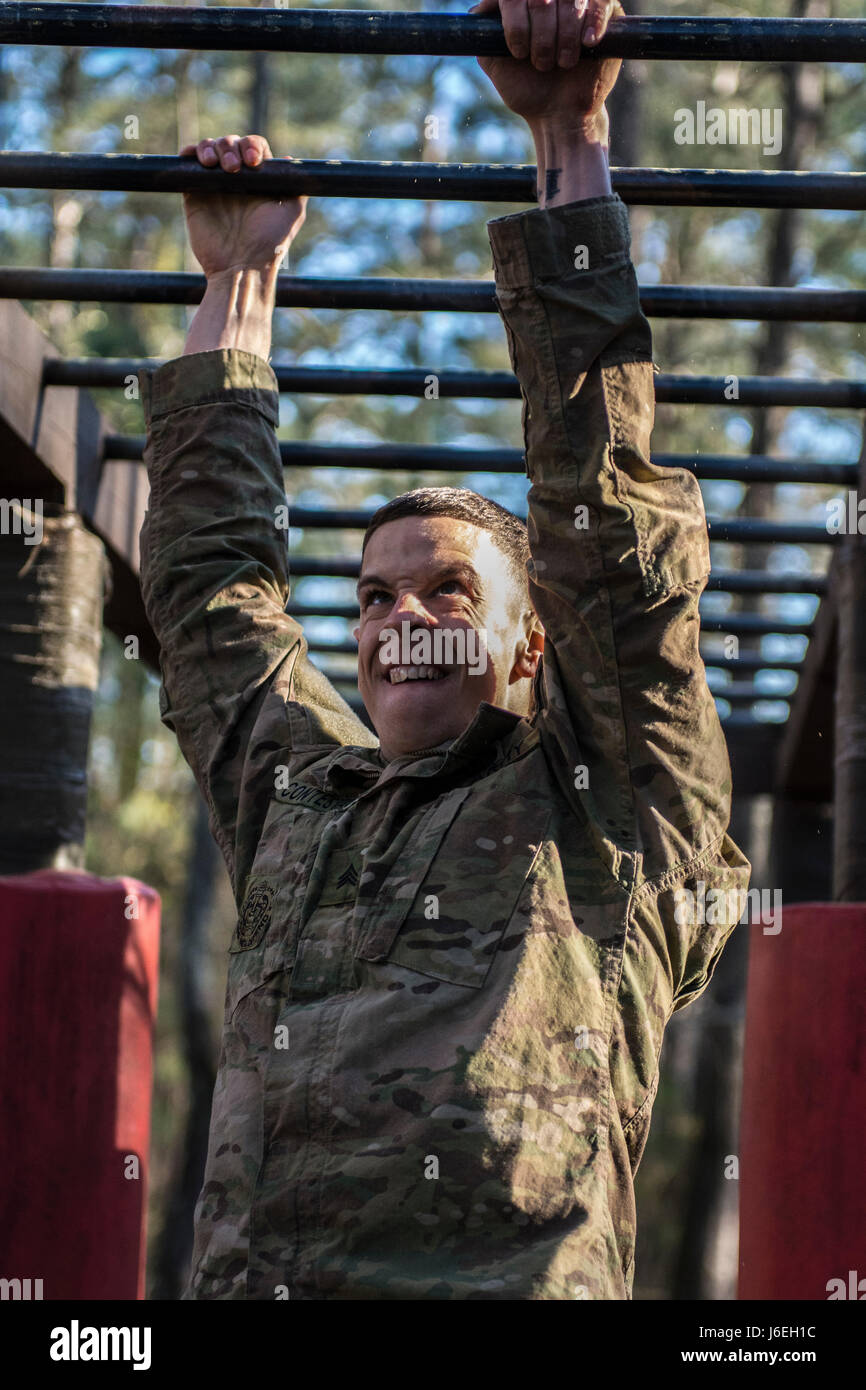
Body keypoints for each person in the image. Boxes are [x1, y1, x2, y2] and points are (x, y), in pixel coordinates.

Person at [140, 0, 750, 1300]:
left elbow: (603, 524)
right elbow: (210, 592)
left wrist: (568, 138)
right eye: (368, 597)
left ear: (534, 640)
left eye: (442, 591)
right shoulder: (303, 804)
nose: (393, 621)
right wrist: (238, 278)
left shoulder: (612, 809)